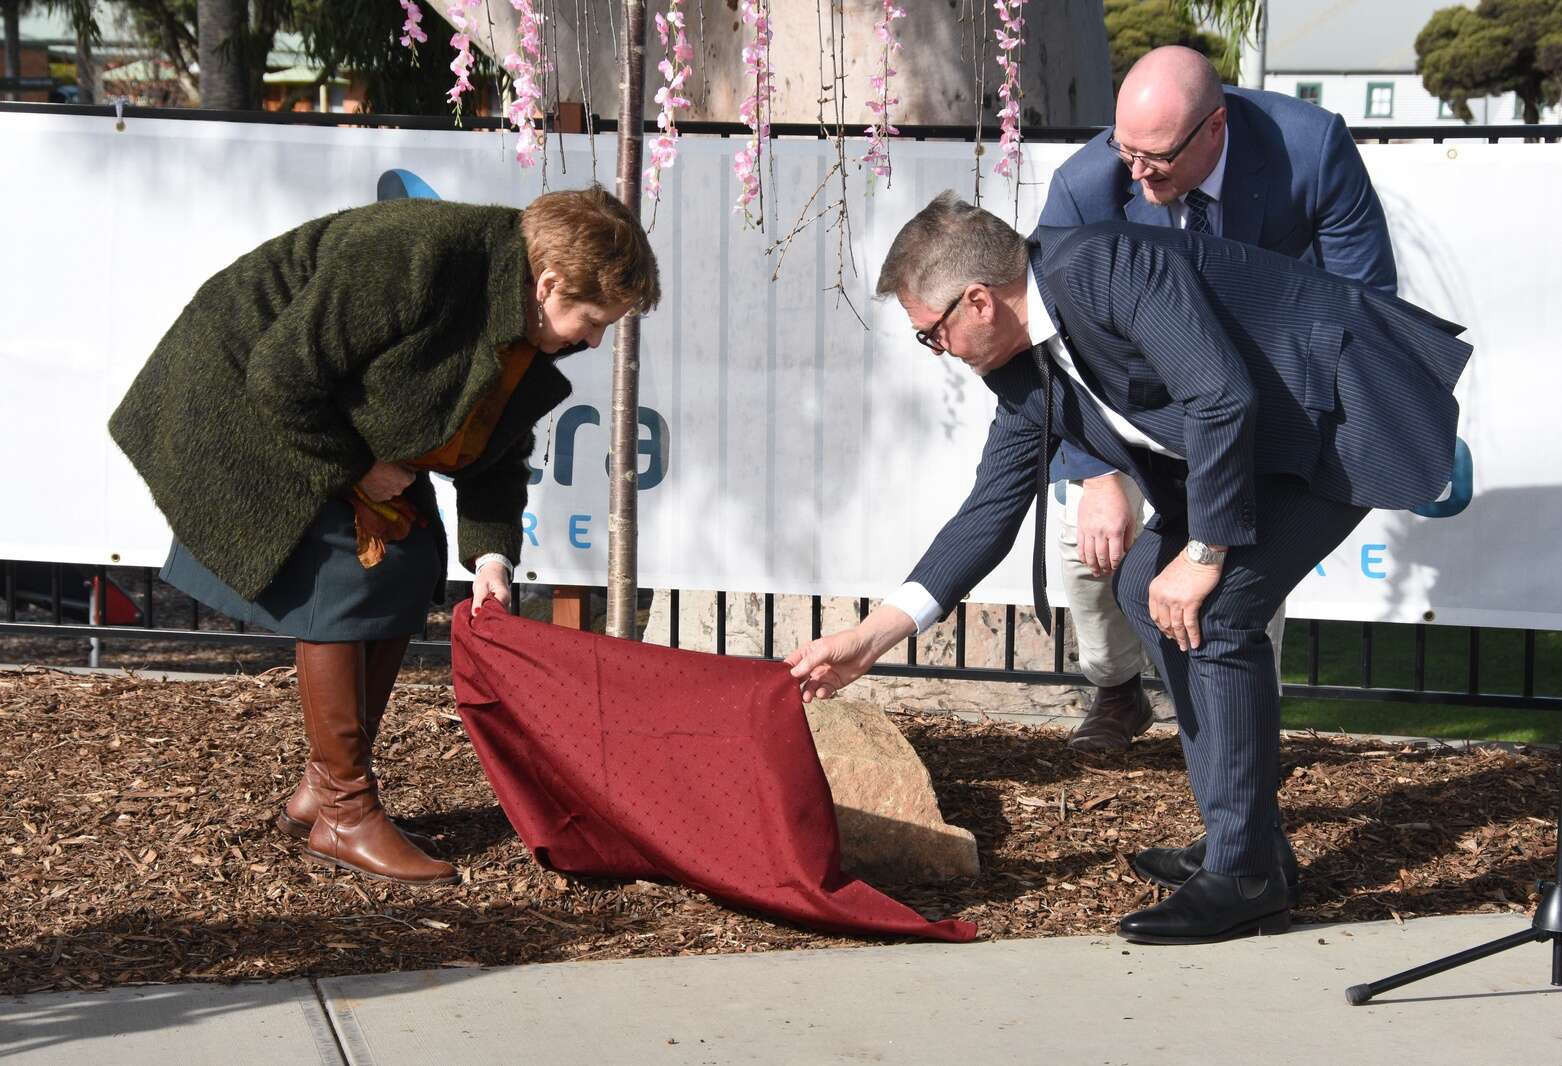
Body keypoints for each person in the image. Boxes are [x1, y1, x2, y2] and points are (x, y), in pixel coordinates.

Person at [786, 193, 1470, 943]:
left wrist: (1205, 554)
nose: (937, 349)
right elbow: (989, 512)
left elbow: (1219, 395)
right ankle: (1249, 842)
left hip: (1346, 409)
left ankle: (1245, 877)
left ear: (977, 300)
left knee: (1218, 608)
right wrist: (874, 636)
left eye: (931, 333)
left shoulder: (1106, 267)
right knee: (1146, 589)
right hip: (1266, 440)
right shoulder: (1022, 375)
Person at [109, 186, 660, 886]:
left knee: (408, 561)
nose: (594, 340)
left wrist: (490, 557)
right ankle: (344, 808)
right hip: (241, 389)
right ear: (549, 282)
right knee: (347, 576)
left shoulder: (522, 308)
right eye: (592, 319)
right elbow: (281, 373)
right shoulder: (418, 254)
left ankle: (323, 785)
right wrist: (359, 469)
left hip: (317, 405)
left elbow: (493, 441)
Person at [1041, 46, 1397, 754]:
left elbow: (1367, 302)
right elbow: (1057, 336)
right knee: (1079, 548)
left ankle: (1240, 733)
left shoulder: (1311, 149)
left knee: (1237, 588)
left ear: (1214, 128)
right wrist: (1096, 475)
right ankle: (1117, 690)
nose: (1136, 175)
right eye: (1124, 149)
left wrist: (1289, 442)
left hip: (1263, 402)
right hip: (1139, 403)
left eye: (1157, 158)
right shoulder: (1086, 185)